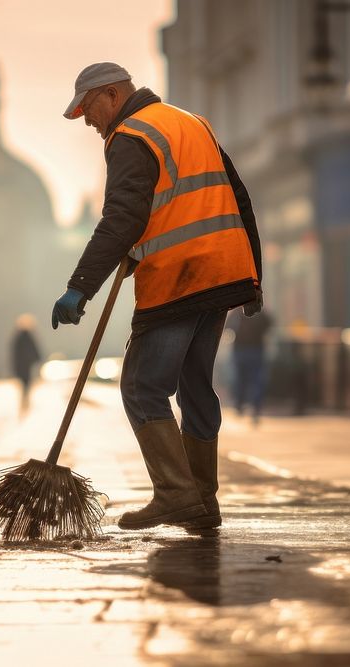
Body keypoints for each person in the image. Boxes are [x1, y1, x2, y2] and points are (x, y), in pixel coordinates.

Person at [54, 63, 262, 531]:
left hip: (180, 277)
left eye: (88, 110)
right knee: (194, 387)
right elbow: (238, 196)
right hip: (222, 273)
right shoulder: (189, 122)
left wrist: (79, 286)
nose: (89, 122)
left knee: (142, 387)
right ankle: (203, 501)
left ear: (110, 95)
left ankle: (175, 494)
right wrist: (252, 277)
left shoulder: (131, 134)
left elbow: (122, 215)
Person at [226, 307, 273, 424]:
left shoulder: (236, 312)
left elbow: (227, 327)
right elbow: (269, 324)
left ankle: (240, 405)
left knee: (241, 379)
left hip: (241, 350)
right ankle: (254, 407)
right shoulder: (259, 310)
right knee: (256, 380)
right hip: (255, 349)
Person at [10, 314, 43, 416]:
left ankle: (25, 398)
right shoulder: (28, 337)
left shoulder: (17, 337)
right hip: (27, 364)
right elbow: (35, 349)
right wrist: (38, 358)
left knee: (24, 381)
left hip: (20, 365)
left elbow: (14, 353)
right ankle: (25, 398)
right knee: (27, 381)